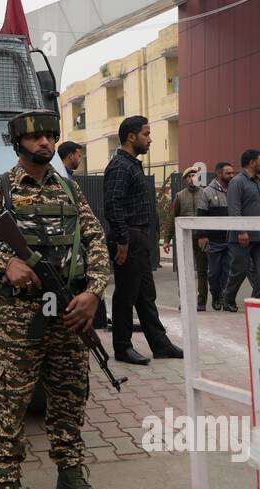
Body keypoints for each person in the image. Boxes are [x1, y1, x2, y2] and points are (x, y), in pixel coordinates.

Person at [0, 110, 113, 489]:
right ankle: (7, 488)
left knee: (69, 398)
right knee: (9, 401)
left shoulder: (69, 188)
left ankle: (70, 478)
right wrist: (4, 261)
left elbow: (95, 240)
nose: (45, 143)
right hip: (18, 318)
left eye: (50, 136)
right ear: (18, 144)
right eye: (36, 138)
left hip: (69, 314)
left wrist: (94, 292)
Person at [103, 115, 182, 364]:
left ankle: (159, 344)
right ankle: (122, 347)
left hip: (138, 239)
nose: (150, 139)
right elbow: (112, 205)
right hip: (128, 239)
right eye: (146, 134)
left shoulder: (132, 164)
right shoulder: (119, 166)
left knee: (145, 294)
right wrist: (123, 241)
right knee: (126, 295)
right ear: (131, 136)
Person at [59, 140, 108, 328]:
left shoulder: (68, 178)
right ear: (70, 155)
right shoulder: (62, 179)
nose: (80, 158)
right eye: (79, 155)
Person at [222, 149, 260, 311]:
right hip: (243, 236)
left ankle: (259, 301)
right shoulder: (237, 182)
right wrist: (241, 231)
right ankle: (228, 297)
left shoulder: (258, 182)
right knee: (240, 270)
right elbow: (234, 208)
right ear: (252, 163)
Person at [169, 165, 208, 311]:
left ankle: (201, 301)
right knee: (184, 270)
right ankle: (185, 299)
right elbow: (173, 218)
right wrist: (167, 240)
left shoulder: (204, 194)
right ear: (186, 179)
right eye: (190, 176)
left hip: (201, 237)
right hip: (185, 238)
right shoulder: (180, 196)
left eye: (195, 175)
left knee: (203, 270)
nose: (193, 178)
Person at [196, 161, 234, 309]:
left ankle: (226, 298)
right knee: (214, 272)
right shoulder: (207, 192)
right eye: (228, 173)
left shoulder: (234, 189)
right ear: (219, 174)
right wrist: (202, 236)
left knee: (228, 271)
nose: (232, 176)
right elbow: (201, 215)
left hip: (230, 239)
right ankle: (216, 295)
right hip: (213, 241)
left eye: (232, 173)